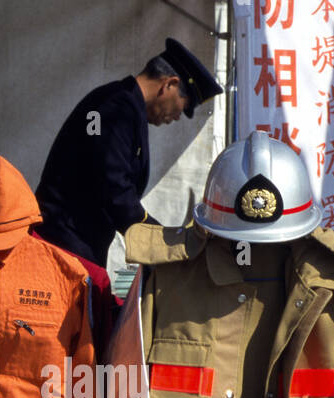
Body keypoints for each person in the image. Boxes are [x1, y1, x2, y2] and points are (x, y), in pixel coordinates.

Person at [34, 37, 221, 347]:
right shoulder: (114, 108)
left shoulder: (125, 107)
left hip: (80, 246)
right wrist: (166, 243)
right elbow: (115, 190)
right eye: (182, 108)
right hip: (62, 245)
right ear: (169, 85)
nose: (176, 118)